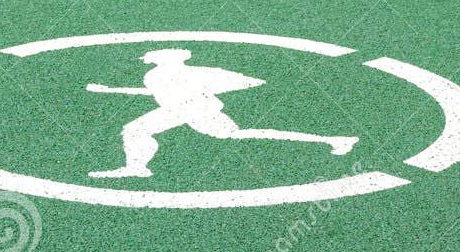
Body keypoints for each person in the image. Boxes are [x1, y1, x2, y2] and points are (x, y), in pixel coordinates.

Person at [85, 49, 358, 180]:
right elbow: (157, 94)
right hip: (182, 109)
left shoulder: (199, 73)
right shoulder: (155, 76)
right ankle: (332, 139)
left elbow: (250, 81)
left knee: (136, 129)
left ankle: (137, 167)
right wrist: (111, 90)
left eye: (153, 57)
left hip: (194, 110)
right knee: (238, 135)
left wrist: (221, 86)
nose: (148, 59)